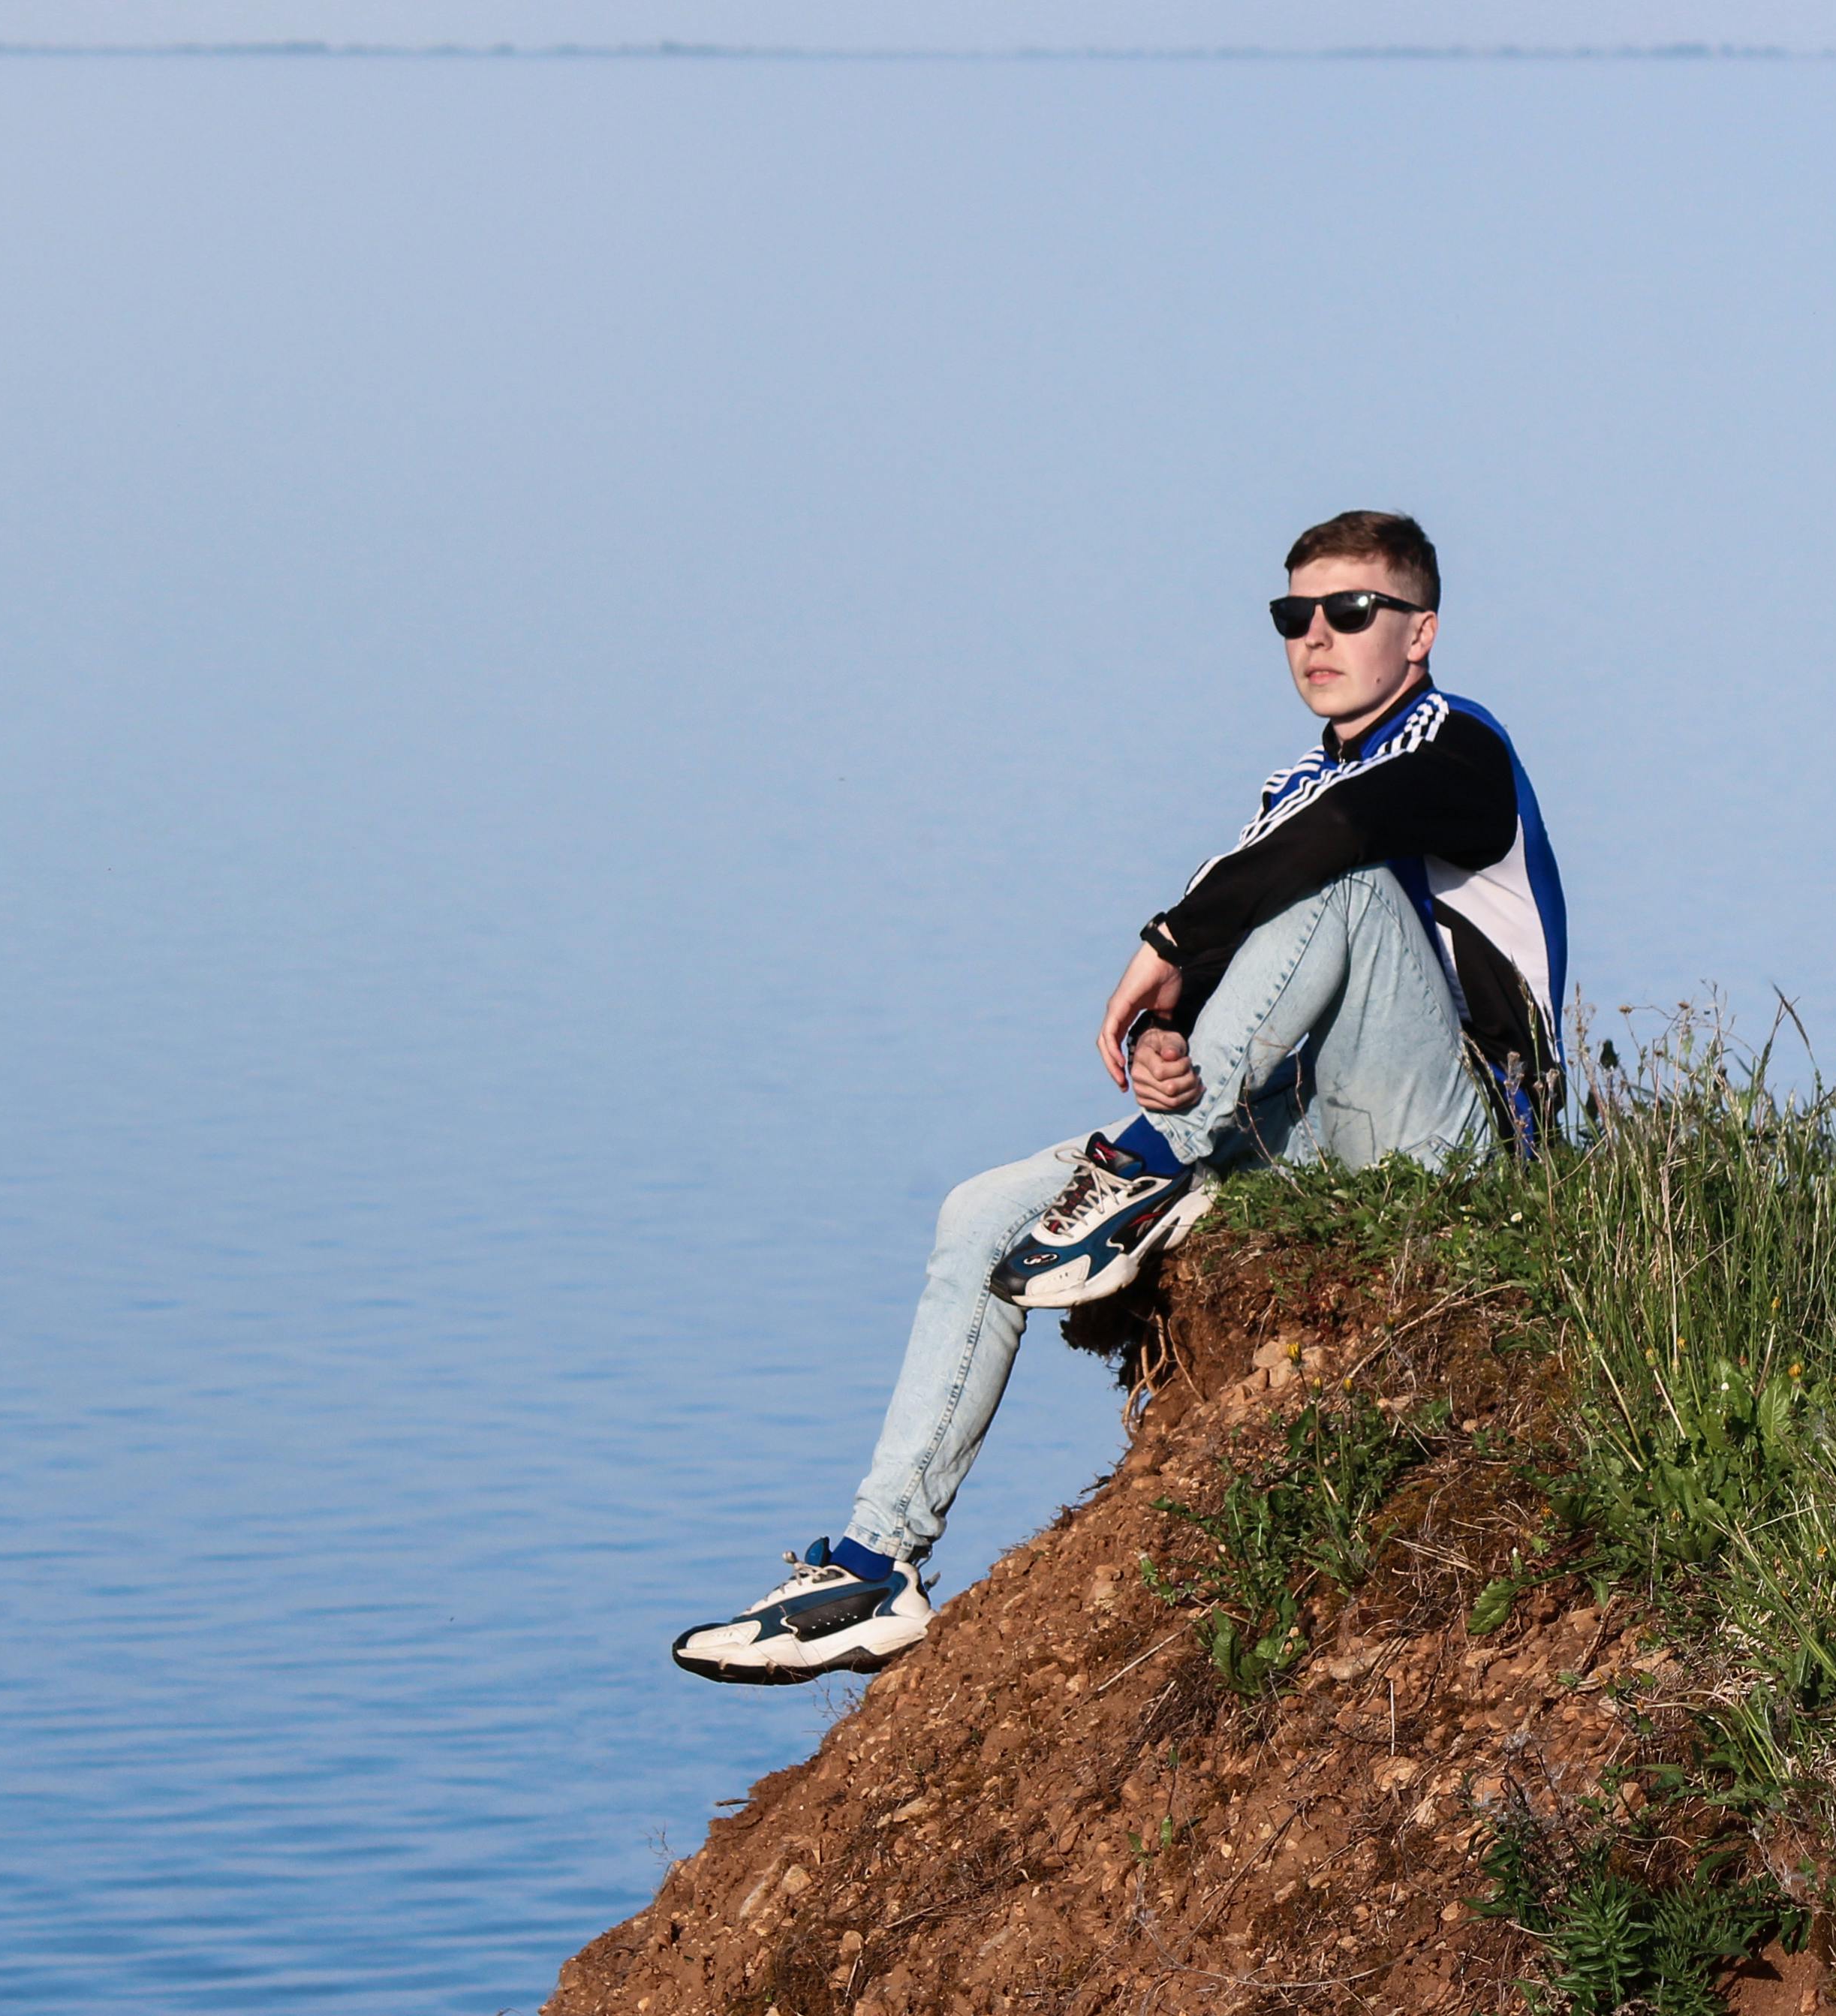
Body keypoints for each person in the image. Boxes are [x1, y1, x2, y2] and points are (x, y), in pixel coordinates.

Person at [670, 512, 1567, 1684]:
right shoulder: (1293, 788)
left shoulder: (1460, 750)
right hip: (1310, 1122)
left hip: (1460, 1129)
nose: (1315, 638)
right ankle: (875, 1565)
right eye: (1292, 615)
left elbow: (1342, 842)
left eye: (1350, 612)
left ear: (1421, 631)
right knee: (975, 1215)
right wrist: (1164, 1044)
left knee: (1340, 880)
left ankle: (1147, 1168)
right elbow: (1230, 954)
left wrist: (1169, 947)